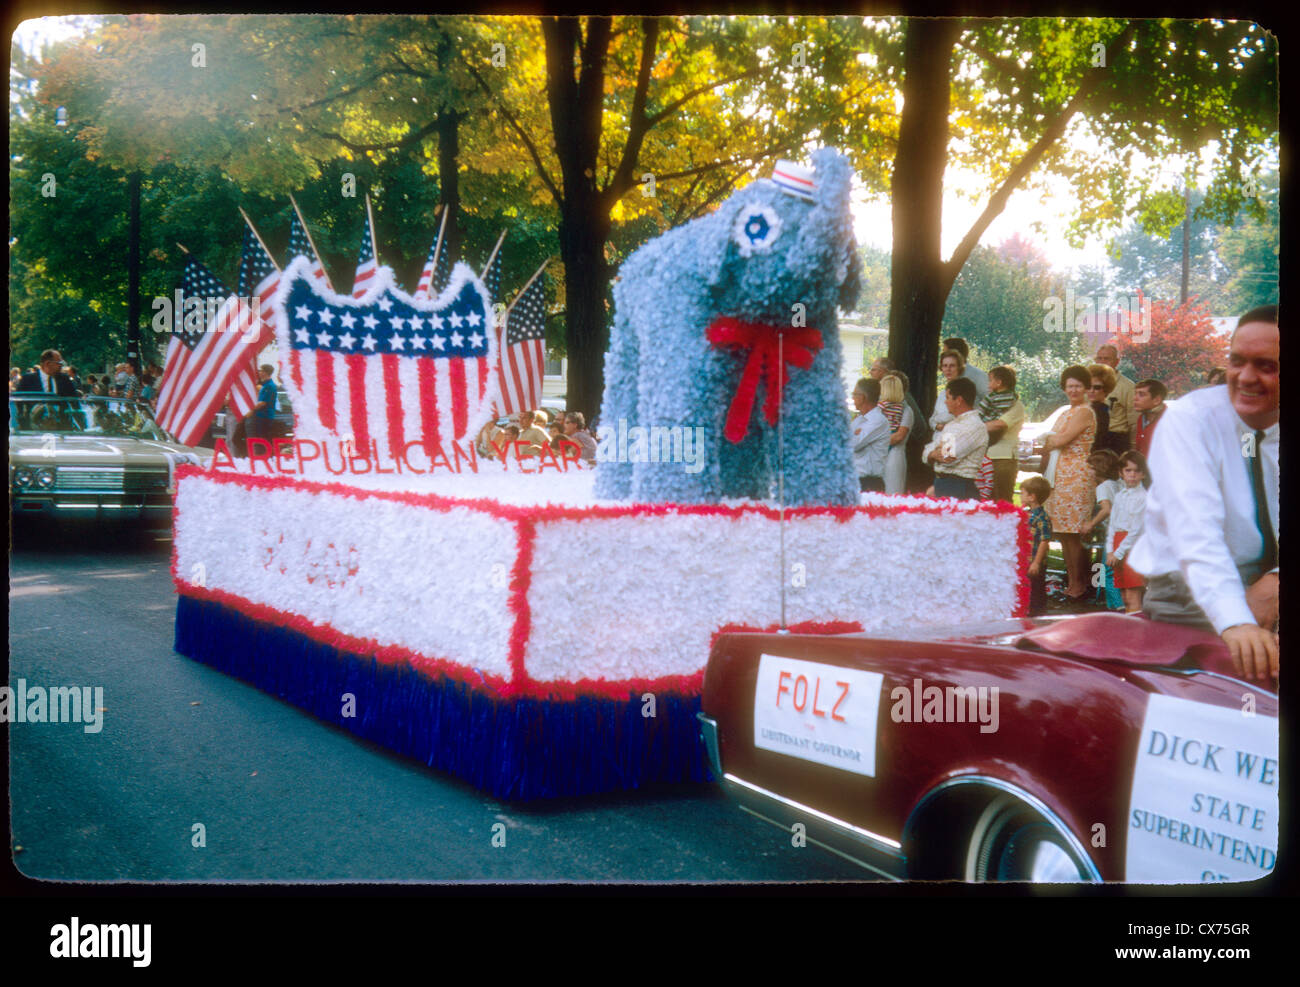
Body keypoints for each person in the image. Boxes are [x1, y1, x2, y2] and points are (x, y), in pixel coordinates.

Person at [1130, 305, 1278, 682]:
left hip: (1268, 582)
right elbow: (1195, 534)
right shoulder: (1190, 419)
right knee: (1248, 687)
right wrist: (1236, 621)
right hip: (1192, 591)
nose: (1246, 377)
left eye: (1266, 366)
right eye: (1237, 361)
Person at [1040, 365, 1097, 602]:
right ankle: (1073, 581)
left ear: (1085, 388)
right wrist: (1050, 441)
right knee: (1063, 533)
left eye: (1078, 386)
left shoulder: (1084, 412)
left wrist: (1050, 440)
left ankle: (1080, 584)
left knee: (1074, 534)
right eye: (1069, 386)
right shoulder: (1065, 412)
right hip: (1059, 476)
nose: (1073, 390)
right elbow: (1047, 443)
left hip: (1077, 476)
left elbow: (1060, 439)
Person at [921, 376, 987, 500]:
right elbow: (926, 452)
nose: (945, 402)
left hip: (960, 488)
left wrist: (935, 452)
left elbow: (948, 457)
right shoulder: (951, 424)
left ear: (959, 400)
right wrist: (933, 454)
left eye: (947, 397)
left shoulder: (975, 426)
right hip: (943, 484)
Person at [1081, 450, 1122, 611]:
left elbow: (1106, 509)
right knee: (1118, 571)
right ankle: (1114, 605)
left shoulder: (1103, 487)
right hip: (1125, 532)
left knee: (1108, 573)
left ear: (1099, 468)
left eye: (1090, 467)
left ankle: (1118, 607)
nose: (1088, 471)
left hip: (1114, 534)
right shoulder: (1119, 483)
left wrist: (1090, 524)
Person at [1108, 450, 1148, 615]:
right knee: (1124, 595)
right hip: (1117, 543)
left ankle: (1137, 633)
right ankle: (1128, 630)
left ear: (1143, 474)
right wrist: (1110, 550)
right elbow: (1112, 525)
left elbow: (1137, 529)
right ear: (1121, 473)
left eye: (1136, 471)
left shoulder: (1143, 497)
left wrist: (1118, 552)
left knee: (1133, 595)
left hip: (1133, 546)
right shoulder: (1119, 496)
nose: (1132, 475)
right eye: (1128, 470)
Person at [979, 366, 1025, 503]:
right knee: (987, 500)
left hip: (1004, 458)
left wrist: (976, 428)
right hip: (986, 456)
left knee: (1002, 499)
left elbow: (1000, 424)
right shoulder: (991, 400)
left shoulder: (1016, 404)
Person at [849, 378, 891, 492]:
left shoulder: (878, 420)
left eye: (854, 394)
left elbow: (853, 444)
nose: (852, 398)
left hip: (869, 483)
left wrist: (850, 435)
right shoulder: (858, 420)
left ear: (862, 397)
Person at [1021, 475, 1053, 616]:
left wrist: (1036, 562)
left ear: (1031, 497)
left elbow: (1044, 541)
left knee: (1037, 591)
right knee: (1028, 589)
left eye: (1022, 493)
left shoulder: (1042, 517)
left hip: (1035, 561)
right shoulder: (1028, 514)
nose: (1020, 496)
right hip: (1027, 560)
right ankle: (1029, 612)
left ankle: (1038, 616)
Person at [1094, 343, 1134, 452]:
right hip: (1092, 439)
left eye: (1107, 359)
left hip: (1116, 441)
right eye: (1099, 358)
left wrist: (1133, 448)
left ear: (1117, 362)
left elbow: (1134, 421)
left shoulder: (1128, 387)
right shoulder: (1087, 384)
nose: (1102, 362)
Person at [878, 374, 913, 494]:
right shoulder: (890, 407)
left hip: (895, 455)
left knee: (892, 492)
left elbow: (899, 436)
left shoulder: (907, 410)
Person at [1087, 363, 1124, 454]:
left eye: (1097, 387)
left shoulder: (1100, 411)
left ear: (1106, 389)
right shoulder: (1093, 408)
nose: (1091, 391)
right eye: (1088, 386)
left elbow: (1097, 442)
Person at [930, 349, 966, 433]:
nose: (948, 369)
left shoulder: (965, 390)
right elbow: (932, 419)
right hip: (938, 438)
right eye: (945, 366)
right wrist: (937, 426)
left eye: (952, 365)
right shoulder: (942, 393)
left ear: (959, 367)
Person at [1132, 378, 1168, 460]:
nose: (1135, 398)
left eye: (1141, 394)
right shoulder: (1142, 418)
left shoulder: (1168, 420)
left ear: (1157, 400)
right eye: (1135, 394)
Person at [245, 364, 278, 443]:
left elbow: (263, 403)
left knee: (263, 438)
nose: (259, 372)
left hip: (265, 416)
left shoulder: (269, 386)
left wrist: (251, 410)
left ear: (265, 373)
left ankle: (264, 455)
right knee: (260, 437)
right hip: (261, 415)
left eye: (261, 371)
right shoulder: (265, 384)